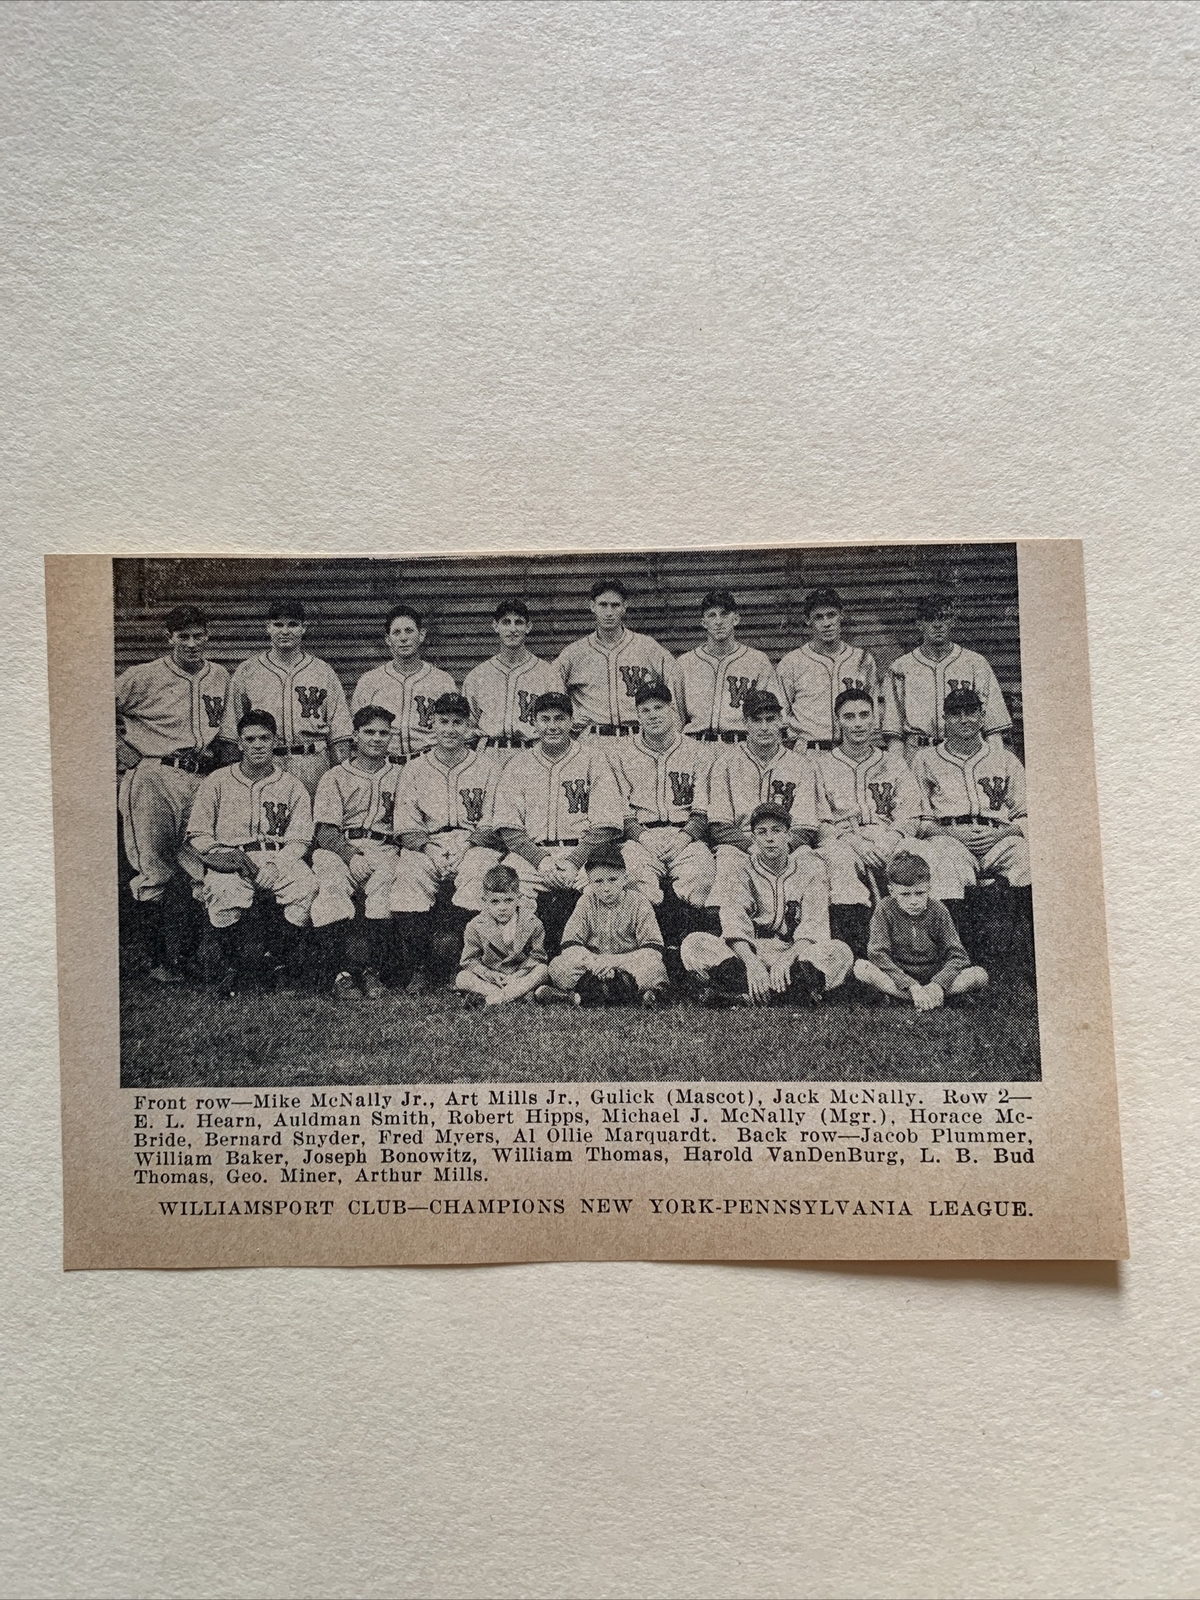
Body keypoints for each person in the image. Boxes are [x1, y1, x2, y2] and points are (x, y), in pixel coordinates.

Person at [115, 605, 229, 983]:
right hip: (154, 774)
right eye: (183, 636)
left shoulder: (219, 676)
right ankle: (158, 961)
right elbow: (84, 708)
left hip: (200, 777)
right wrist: (118, 748)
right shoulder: (142, 676)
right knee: (153, 868)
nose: (192, 644)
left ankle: (190, 958)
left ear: (208, 636)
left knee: (201, 864)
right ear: (170, 638)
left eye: (199, 635)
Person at [185, 710, 317, 992]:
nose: (257, 744)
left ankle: (275, 960)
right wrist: (223, 856)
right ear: (240, 743)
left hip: (278, 855)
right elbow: (198, 833)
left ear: (275, 741)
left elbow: (301, 839)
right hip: (230, 856)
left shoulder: (292, 785)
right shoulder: (217, 781)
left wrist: (276, 865)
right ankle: (236, 966)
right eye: (250, 739)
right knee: (223, 891)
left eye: (264, 738)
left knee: (307, 886)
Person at [680, 804, 852, 1008]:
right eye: (762, 832)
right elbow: (734, 926)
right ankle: (791, 993)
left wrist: (787, 958)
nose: (770, 838)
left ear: (789, 836)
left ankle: (743, 994)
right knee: (694, 944)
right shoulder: (740, 870)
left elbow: (813, 927)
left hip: (792, 951)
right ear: (753, 838)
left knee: (840, 952)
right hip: (748, 952)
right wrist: (752, 965)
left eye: (777, 831)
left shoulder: (810, 870)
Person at [910, 686, 1034, 971]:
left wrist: (1003, 833)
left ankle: (1031, 955)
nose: (964, 719)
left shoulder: (1005, 759)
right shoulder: (925, 759)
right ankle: (959, 959)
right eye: (956, 714)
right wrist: (950, 834)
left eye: (971, 712)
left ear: (981, 716)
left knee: (1028, 858)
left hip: (999, 836)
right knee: (944, 863)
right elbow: (920, 820)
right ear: (945, 719)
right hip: (950, 836)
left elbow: (1027, 814)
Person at [492, 690, 625, 949]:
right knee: (505, 892)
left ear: (571, 721)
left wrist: (575, 862)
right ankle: (517, 961)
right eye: (545, 719)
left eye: (559, 718)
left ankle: (604, 960)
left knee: (606, 892)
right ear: (534, 723)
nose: (552, 726)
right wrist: (541, 861)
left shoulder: (593, 759)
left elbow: (606, 823)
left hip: (583, 854)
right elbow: (509, 828)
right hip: (532, 856)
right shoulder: (518, 764)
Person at [390, 693, 504, 992]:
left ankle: (459, 964)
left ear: (469, 727)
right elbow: (405, 824)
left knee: (478, 873)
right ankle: (420, 967)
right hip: (429, 842)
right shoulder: (415, 768)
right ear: (432, 724)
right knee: (409, 873)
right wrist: (429, 848)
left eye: (458, 722)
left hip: (475, 842)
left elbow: (494, 819)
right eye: (443, 722)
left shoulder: (488, 766)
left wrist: (467, 846)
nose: (450, 729)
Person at [815, 688, 925, 957]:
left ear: (875, 719)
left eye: (865, 715)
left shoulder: (894, 762)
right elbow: (819, 820)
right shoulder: (821, 764)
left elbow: (910, 814)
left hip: (889, 837)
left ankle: (920, 954)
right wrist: (855, 843)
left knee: (923, 856)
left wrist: (888, 841)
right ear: (838, 720)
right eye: (849, 716)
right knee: (839, 862)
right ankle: (856, 956)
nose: (858, 723)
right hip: (842, 839)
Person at [605, 680, 715, 940]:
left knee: (703, 876)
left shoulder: (698, 752)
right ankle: (645, 943)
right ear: (638, 716)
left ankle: (687, 947)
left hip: (686, 835)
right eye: (645, 710)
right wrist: (642, 837)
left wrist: (684, 837)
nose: (652, 715)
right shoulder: (619, 753)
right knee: (631, 877)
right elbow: (620, 810)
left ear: (672, 710)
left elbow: (704, 808)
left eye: (659, 707)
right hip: (639, 837)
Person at [309, 705, 404, 1000]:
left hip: (383, 846)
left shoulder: (403, 775)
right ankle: (342, 973)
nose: (376, 738)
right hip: (339, 847)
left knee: (384, 888)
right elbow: (325, 832)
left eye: (383, 733)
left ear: (391, 737)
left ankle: (373, 970)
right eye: (369, 732)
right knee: (331, 887)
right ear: (354, 735)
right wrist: (351, 856)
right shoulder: (334, 776)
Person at [218, 599, 352, 796]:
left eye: (292, 624)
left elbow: (339, 732)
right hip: (266, 762)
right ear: (268, 628)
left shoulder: (322, 671)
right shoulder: (248, 671)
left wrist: (341, 777)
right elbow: (231, 731)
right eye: (278, 624)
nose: (285, 631)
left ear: (303, 628)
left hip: (313, 761)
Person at [705, 687, 821, 907]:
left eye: (771, 719)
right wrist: (755, 848)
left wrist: (779, 849)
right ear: (745, 723)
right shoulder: (725, 763)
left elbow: (806, 828)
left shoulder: (801, 765)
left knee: (809, 861)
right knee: (728, 860)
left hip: (788, 845)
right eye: (757, 720)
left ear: (781, 721)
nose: (765, 727)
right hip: (741, 844)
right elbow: (719, 825)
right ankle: (725, 933)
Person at [882, 592, 1012, 756]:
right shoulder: (901, 667)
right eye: (930, 618)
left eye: (943, 618)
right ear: (919, 624)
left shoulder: (975, 663)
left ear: (952, 621)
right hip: (918, 751)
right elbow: (894, 731)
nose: (937, 625)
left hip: (964, 751)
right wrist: (898, 768)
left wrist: (995, 763)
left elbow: (993, 726)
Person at [853, 851, 988, 1008]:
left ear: (929, 888)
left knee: (979, 975)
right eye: (905, 894)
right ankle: (921, 997)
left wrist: (938, 984)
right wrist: (911, 985)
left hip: (934, 976)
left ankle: (917, 997)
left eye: (920, 893)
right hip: (898, 977)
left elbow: (958, 956)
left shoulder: (938, 910)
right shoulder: (885, 909)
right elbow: (877, 954)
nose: (914, 901)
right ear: (892, 891)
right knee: (862, 968)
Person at [541, 846, 668, 1008]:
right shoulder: (586, 901)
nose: (606, 888)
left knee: (654, 968)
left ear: (625, 878)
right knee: (559, 966)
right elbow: (570, 945)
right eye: (598, 881)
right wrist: (594, 962)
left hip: (627, 965)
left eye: (613, 879)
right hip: (593, 967)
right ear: (589, 881)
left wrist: (613, 961)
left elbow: (653, 950)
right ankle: (627, 995)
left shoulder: (638, 902)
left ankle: (580, 998)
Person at [554, 578, 674, 743]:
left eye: (615, 605)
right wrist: (570, 716)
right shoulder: (575, 652)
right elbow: (551, 686)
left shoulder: (647, 647)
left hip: (637, 738)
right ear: (592, 607)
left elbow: (674, 682)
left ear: (624, 607)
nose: (609, 612)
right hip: (593, 740)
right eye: (603, 605)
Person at [351, 603, 457, 768]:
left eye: (409, 631)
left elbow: (456, 731)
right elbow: (356, 735)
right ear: (388, 639)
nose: (403, 638)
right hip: (384, 766)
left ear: (421, 635)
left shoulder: (442, 681)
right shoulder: (370, 681)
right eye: (396, 632)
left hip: (429, 766)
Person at [671, 589, 780, 747]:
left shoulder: (757, 661)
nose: (718, 621)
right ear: (704, 623)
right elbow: (675, 716)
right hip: (695, 746)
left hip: (739, 745)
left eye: (724, 614)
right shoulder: (685, 663)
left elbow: (771, 715)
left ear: (736, 619)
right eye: (712, 615)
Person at [775, 588, 880, 752]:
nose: (827, 623)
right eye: (818, 617)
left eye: (831, 615)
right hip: (809, 751)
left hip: (852, 751)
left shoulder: (862, 659)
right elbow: (779, 715)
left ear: (841, 616)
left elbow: (872, 714)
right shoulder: (792, 662)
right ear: (808, 621)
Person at [462, 597, 566, 762]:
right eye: (506, 622)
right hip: (488, 754)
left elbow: (560, 723)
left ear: (528, 627)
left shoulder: (547, 673)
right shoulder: (478, 675)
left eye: (518, 622)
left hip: (530, 753)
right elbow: (467, 726)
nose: (512, 629)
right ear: (495, 626)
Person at [455, 864, 550, 1008]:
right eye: (495, 901)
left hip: (519, 976)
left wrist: (517, 976)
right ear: (484, 901)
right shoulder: (475, 925)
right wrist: (490, 975)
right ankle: (508, 995)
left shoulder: (533, 923)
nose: (502, 907)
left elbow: (537, 956)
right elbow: (470, 961)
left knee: (542, 970)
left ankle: (496, 998)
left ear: (518, 898)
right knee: (462, 977)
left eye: (508, 900)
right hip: (492, 978)